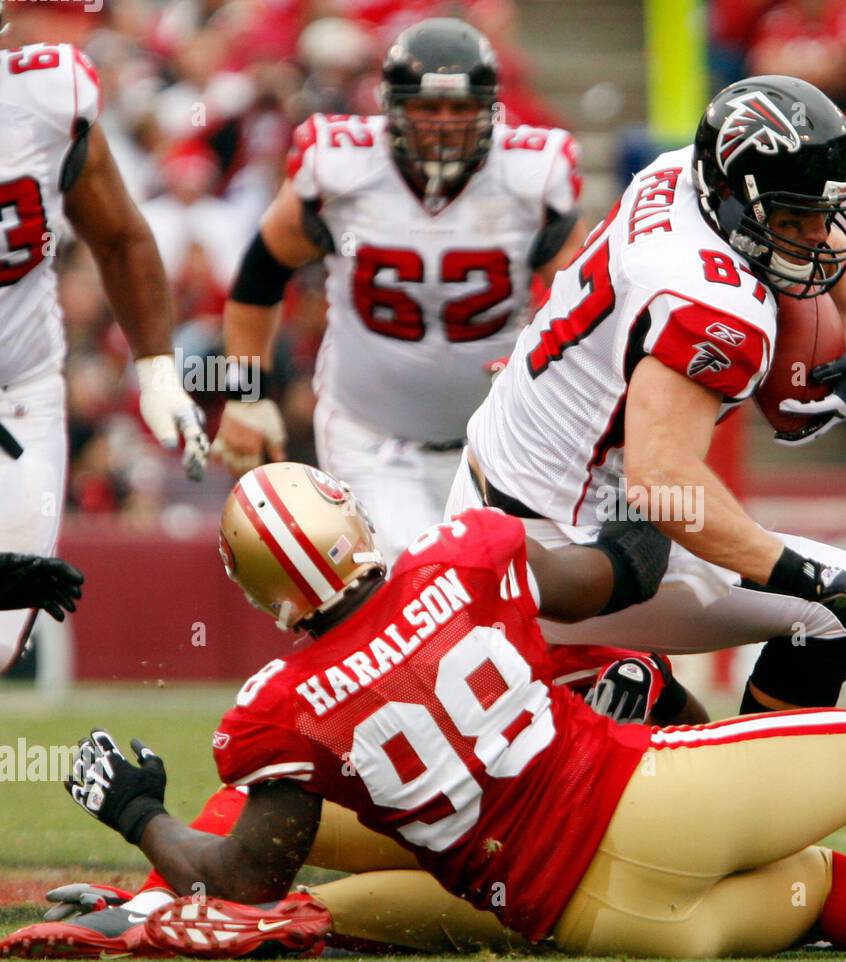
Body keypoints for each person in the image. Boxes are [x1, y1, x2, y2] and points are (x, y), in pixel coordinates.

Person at [31, 463, 846, 960]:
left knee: (310, 910)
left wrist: (137, 810)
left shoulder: (273, 708)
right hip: (637, 800)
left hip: (584, 924)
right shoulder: (464, 556)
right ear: (353, 525)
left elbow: (240, 876)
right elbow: (619, 572)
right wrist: (641, 480)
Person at [454, 74, 846, 717]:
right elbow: (660, 483)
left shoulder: (681, 175)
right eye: (794, 218)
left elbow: (827, 238)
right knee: (841, 603)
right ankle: (760, 798)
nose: (816, 237)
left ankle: (645, 704)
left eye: (819, 213)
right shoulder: (711, 303)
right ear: (739, 199)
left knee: (675, 733)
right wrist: (804, 575)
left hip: (497, 488)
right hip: (560, 552)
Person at [211, 18, 587, 564]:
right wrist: (245, 398)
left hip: (496, 443)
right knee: (412, 582)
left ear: (489, 111)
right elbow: (258, 277)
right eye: (427, 108)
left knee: (507, 596)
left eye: (460, 109)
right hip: (370, 437)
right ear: (390, 107)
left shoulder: (529, 178)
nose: (443, 124)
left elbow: (581, 307)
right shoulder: (341, 169)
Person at [0, 5, 208, 671]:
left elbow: (120, 236)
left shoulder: (44, 99)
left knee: (1, 637)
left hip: (21, 392)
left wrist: (157, 371)